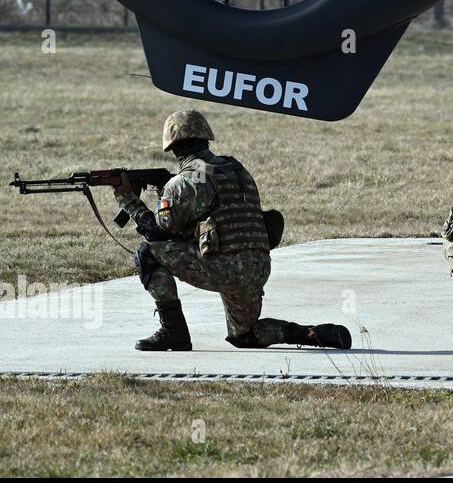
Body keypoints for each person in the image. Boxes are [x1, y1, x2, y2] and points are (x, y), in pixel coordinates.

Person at [114, 110, 351, 352]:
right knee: (244, 336)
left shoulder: (185, 182)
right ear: (205, 138)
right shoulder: (237, 169)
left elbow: (157, 233)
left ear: (173, 146)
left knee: (147, 253)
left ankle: (173, 332)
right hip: (257, 267)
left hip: (225, 268)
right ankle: (313, 334)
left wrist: (128, 199)